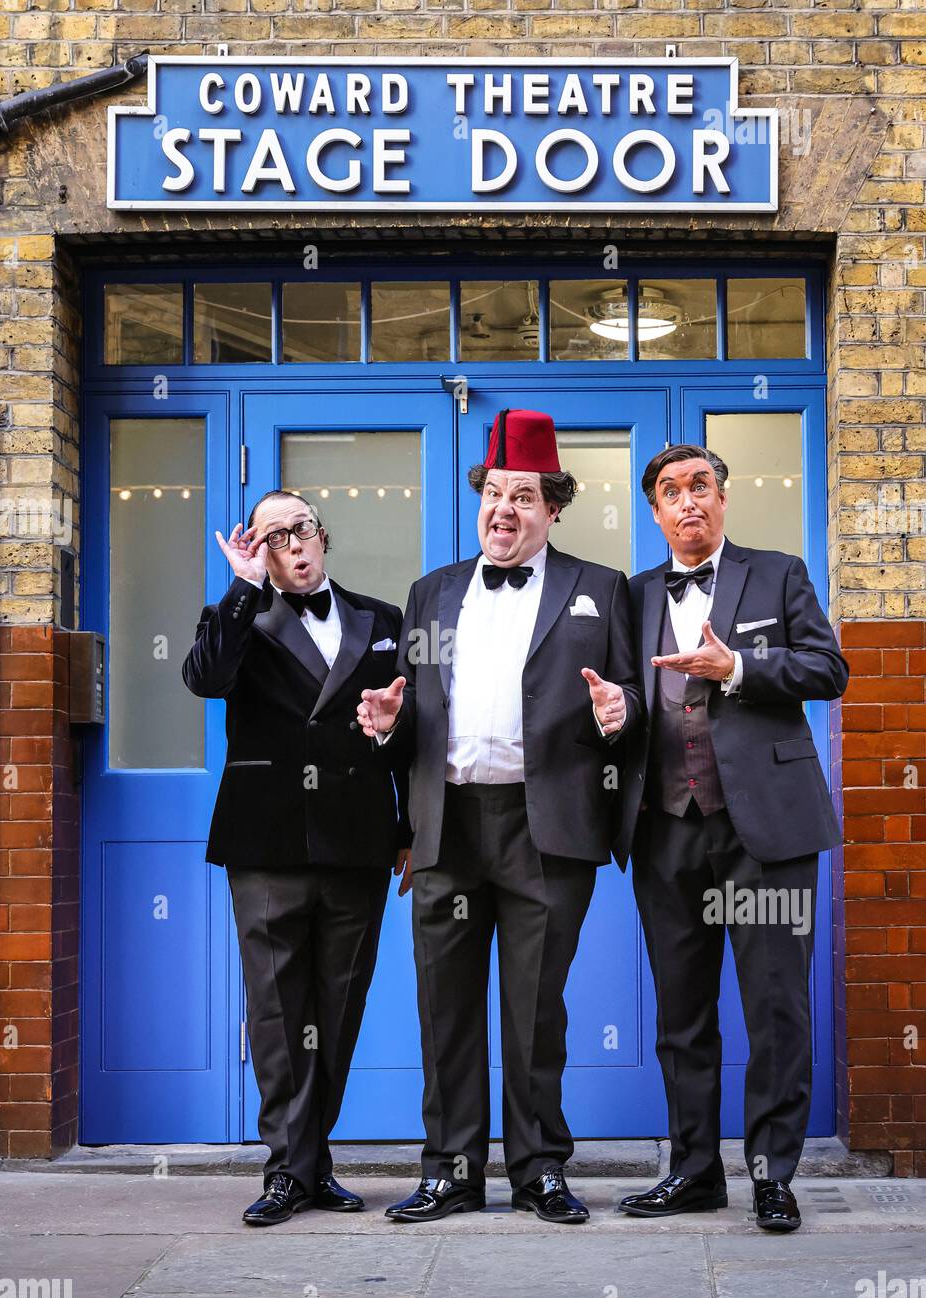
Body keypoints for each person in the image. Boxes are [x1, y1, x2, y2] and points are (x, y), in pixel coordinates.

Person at [357, 408, 641, 1224]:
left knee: (534, 1007)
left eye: (524, 495)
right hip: (447, 825)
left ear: (554, 507)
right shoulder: (432, 592)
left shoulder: (599, 590)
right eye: (493, 493)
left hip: (545, 828)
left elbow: (624, 705)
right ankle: (449, 1169)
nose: (504, 509)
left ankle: (539, 1168)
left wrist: (618, 712)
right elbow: (415, 713)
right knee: (443, 1005)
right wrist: (385, 726)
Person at [613, 444, 849, 1233]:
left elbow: (828, 668)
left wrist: (739, 667)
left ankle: (772, 1177)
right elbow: (633, 703)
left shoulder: (778, 573)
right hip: (667, 830)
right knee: (682, 1015)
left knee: (777, 1007)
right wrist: (618, 716)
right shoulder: (635, 594)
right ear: (655, 511)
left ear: (722, 498)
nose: (688, 502)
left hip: (768, 831)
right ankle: (693, 1171)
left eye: (701, 487)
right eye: (671, 492)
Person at [182, 490, 410, 1226]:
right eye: (275, 537)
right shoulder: (241, 616)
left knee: (338, 1011)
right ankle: (289, 1168)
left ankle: (310, 1163)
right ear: (262, 551)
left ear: (322, 535)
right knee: (278, 1012)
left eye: (302, 529)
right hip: (268, 843)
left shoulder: (384, 620)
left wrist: (405, 830)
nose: (295, 545)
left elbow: (410, 729)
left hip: (358, 844)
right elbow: (206, 678)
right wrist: (244, 587)